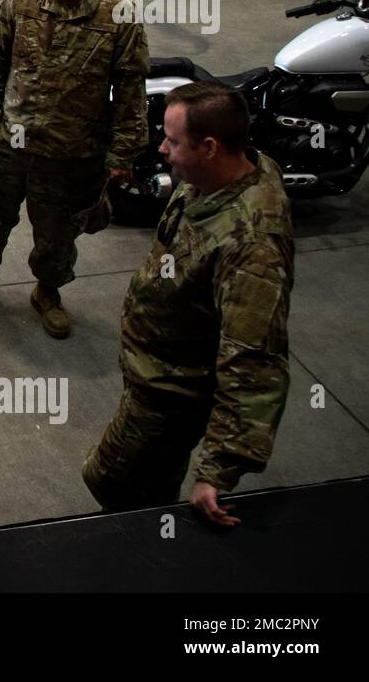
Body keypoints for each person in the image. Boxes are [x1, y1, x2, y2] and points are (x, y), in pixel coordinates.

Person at [83, 82, 294, 527]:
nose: (162, 149)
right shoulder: (220, 176)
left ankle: (136, 542)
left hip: (172, 391)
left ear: (211, 147)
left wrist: (218, 467)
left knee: (114, 481)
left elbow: (254, 359)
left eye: (173, 141)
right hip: (156, 366)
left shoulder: (252, 246)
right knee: (134, 479)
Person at [0, 0, 149, 338]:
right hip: (7, 142)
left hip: (72, 153)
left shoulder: (118, 12)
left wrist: (121, 156)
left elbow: (131, 92)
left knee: (57, 236)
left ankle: (47, 292)